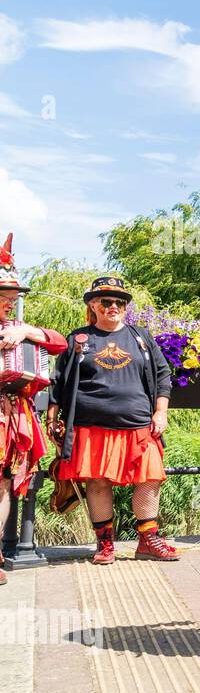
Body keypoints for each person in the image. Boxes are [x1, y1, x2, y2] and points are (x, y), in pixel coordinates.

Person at [47, 276, 176, 565]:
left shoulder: (140, 337)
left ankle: (148, 539)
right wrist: (53, 419)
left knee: (150, 479)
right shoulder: (78, 339)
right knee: (98, 483)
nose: (113, 306)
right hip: (91, 425)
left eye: (120, 302)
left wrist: (161, 412)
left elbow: (162, 376)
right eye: (106, 301)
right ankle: (105, 544)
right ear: (93, 305)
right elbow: (59, 383)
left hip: (139, 424)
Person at [0, 237, 67, 584]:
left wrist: (28, 330)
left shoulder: (16, 329)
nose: (10, 305)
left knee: (5, 484)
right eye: (5, 298)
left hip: (11, 416)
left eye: (12, 299)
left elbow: (59, 342)